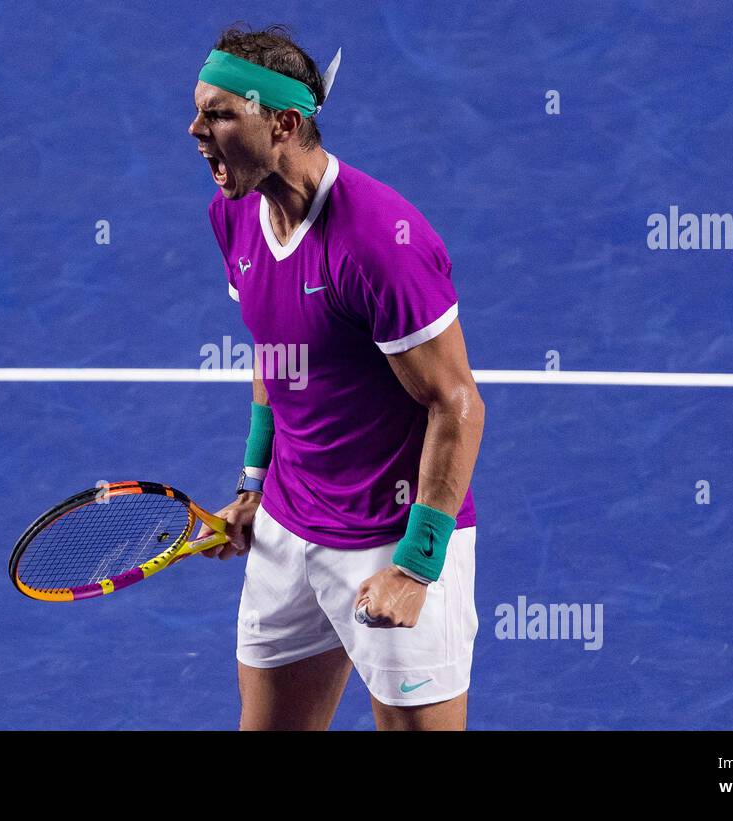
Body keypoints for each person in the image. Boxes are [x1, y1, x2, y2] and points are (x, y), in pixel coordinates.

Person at [189, 24, 487, 731]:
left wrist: (417, 564)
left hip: (393, 531)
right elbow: (276, 357)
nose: (195, 128)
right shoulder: (233, 216)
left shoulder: (380, 243)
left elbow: (457, 403)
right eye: (200, 109)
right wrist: (253, 485)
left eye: (220, 113)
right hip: (288, 527)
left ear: (284, 124)